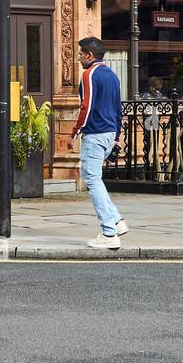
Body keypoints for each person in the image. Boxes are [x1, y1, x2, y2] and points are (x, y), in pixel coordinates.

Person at [71, 37, 127, 250]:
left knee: (92, 180)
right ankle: (117, 221)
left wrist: (77, 129)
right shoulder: (112, 75)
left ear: (89, 55)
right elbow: (118, 108)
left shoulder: (89, 74)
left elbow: (86, 105)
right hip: (109, 134)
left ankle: (109, 233)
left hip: (95, 133)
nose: (78, 58)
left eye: (80, 54)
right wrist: (116, 137)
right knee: (96, 179)